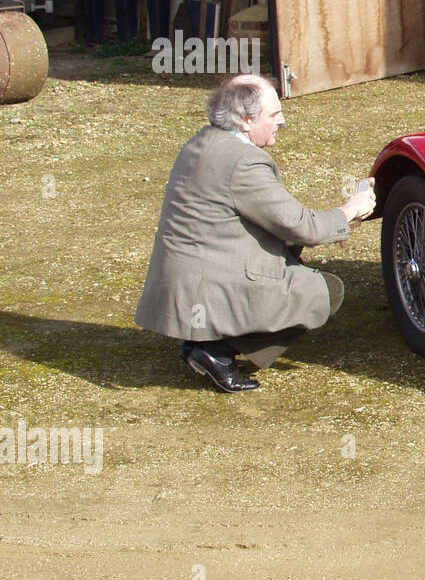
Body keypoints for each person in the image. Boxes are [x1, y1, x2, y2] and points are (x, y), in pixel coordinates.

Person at [135, 74, 376, 392]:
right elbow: (302, 226)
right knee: (324, 291)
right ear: (247, 120)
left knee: (291, 252)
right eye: (274, 115)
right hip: (206, 283)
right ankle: (215, 351)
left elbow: (273, 220)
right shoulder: (244, 162)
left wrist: (332, 227)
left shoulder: (203, 141)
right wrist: (350, 210)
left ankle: (202, 337)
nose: (282, 121)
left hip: (186, 280)